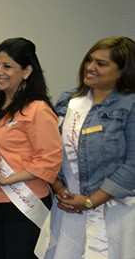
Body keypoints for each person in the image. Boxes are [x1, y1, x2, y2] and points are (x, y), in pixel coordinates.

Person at [45, 36, 135, 259]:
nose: (90, 67)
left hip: (116, 212)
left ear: (122, 71)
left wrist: (90, 201)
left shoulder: (130, 104)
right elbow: (51, 151)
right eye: (89, 60)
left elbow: (132, 165)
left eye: (101, 64)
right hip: (69, 208)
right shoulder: (69, 100)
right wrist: (58, 188)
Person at [0, 37, 62, 259]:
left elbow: (50, 160)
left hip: (25, 204)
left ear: (27, 71)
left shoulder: (38, 109)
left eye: (7, 66)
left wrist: (7, 180)